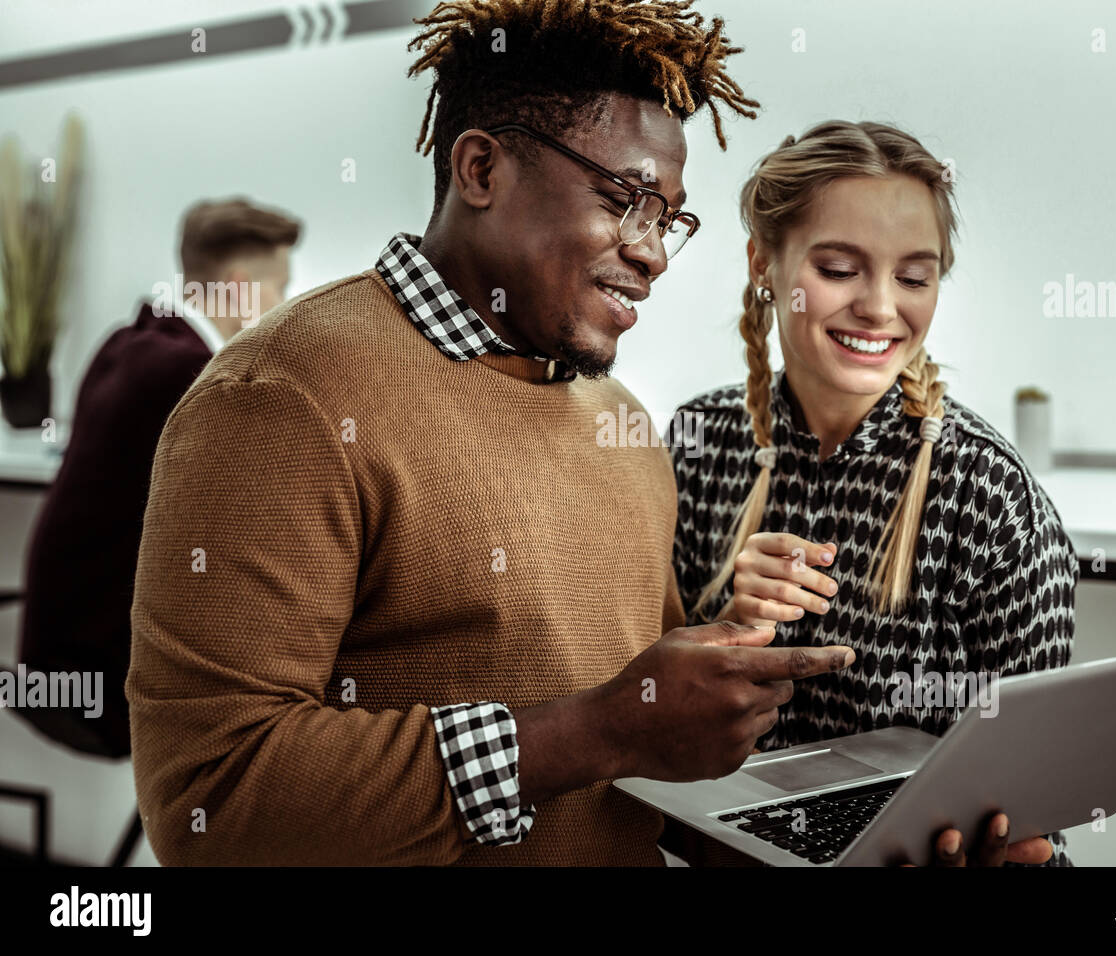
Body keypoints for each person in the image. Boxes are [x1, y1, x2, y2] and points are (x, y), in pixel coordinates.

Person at [125, 0, 857, 867]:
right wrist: (592, 734)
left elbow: (632, 745)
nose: (654, 251)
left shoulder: (619, 420)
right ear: (481, 169)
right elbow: (212, 803)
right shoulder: (279, 397)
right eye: (625, 200)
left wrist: (721, 664)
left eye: (668, 218)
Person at [667, 121, 1080, 866]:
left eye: (914, 278)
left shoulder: (991, 495)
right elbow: (652, 712)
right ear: (764, 262)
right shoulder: (697, 441)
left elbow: (1037, 817)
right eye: (838, 268)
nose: (881, 307)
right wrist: (728, 626)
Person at [15, 198, 298, 758]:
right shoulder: (187, 376)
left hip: (48, 661)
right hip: (100, 685)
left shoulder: (130, 343)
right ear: (240, 286)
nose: (283, 307)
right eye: (279, 289)